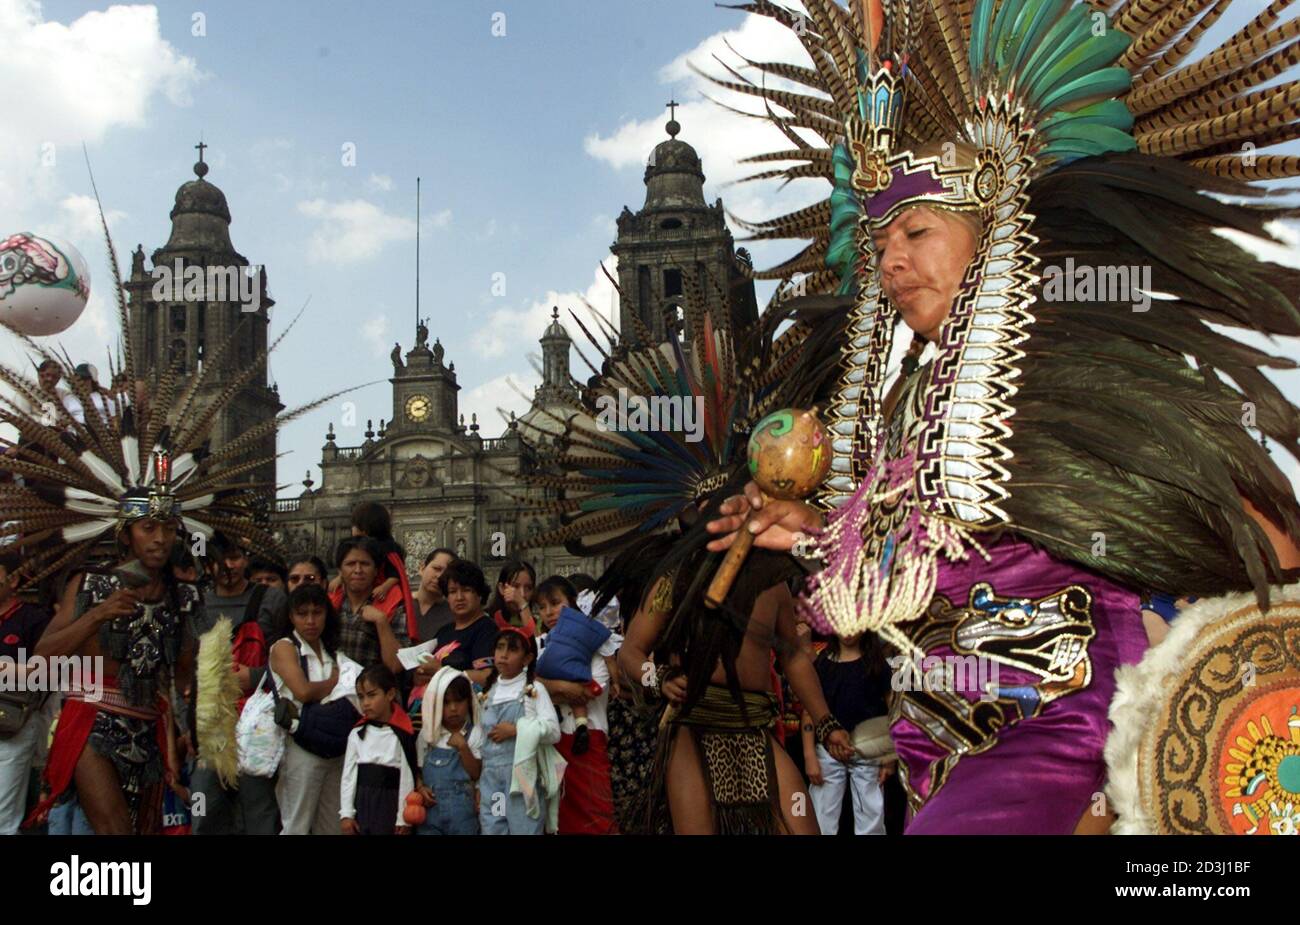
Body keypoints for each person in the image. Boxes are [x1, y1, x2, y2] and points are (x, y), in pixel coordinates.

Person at [704, 0, 1300, 834]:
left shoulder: (1063, 358)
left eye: (916, 230)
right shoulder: (907, 404)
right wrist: (805, 524)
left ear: (986, 236)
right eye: (878, 246)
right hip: (937, 734)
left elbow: (1216, 492)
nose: (891, 260)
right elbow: (913, 554)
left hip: (1058, 717)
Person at [28, 494, 199, 834]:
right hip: (92, 720)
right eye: (148, 527)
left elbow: (183, 678)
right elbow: (40, 659)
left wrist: (194, 727)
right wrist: (97, 615)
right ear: (125, 534)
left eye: (167, 528)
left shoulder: (184, 597)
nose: (160, 538)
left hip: (149, 727)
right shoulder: (90, 584)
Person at [186, 534, 285, 835]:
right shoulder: (194, 603)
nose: (228, 565)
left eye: (235, 557)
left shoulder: (271, 599)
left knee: (259, 817)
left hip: (256, 731)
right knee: (201, 810)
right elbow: (183, 671)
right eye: (219, 558)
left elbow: (292, 659)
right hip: (207, 732)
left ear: (245, 558)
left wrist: (255, 677)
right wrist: (185, 726)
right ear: (207, 562)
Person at [270, 583, 358, 835]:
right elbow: (303, 691)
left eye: (317, 613)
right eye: (302, 613)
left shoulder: (331, 650)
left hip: (335, 747)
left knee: (331, 826)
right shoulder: (284, 647)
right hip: (301, 747)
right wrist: (334, 681)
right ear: (291, 616)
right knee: (296, 824)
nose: (310, 621)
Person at [803, 632, 891, 835]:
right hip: (828, 752)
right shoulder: (823, 663)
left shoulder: (876, 663)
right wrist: (809, 756)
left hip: (867, 751)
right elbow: (809, 712)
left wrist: (888, 757)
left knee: (872, 816)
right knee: (821, 815)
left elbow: (891, 712)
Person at [477, 628, 562, 835]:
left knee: (524, 828)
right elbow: (480, 740)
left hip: (522, 779)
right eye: (500, 648)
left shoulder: (533, 690)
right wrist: (479, 785)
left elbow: (553, 731)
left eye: (512, 650)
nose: (504, 655)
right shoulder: (487, 694)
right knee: (494, 827)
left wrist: (517, 730)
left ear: (527, 658)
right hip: (492, 782)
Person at [534, 575, 616, 757]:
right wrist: (562, 687)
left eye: (555, 603)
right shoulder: (536, 645)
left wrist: (545, 686)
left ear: (573, 602)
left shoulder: (594, 644)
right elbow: (525, 688)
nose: (548, 612)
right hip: (548, 740)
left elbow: (585, 692)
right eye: (541, 607)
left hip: (591, 737)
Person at [0, 551, 53, 834]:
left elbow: (49, 671)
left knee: (3, 815)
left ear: (14, 580)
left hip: (13, 722)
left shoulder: (33, 619)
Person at [340, 664, 418, 835]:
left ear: (390, 694)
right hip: (362, 802)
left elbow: (406, 777)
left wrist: (403, 817)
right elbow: (348, 775)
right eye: (361, 697)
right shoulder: (356, 733)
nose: (366, 703)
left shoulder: (402, 734)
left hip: (389, 803)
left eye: (372, 695)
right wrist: (346, 814)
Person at [330, 502, 419, 642]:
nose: (357, 569)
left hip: (384, 593)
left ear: (365, 528)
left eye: (356, 525)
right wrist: (340, 578)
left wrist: (385, 587)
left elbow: (395, 574)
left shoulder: (389, 548)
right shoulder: (363, 547)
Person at [415, 667, 482, 835]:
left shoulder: (475, 733)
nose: (453, 708)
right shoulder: (428, 734)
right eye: (446, 702)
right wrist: (420, 788)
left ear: (469, 701)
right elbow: (418, 770)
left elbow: (476, 773)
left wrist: (463, 748)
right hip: (430, 813)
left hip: (463, 815)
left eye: (458, 701)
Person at [419, 559, 497, 690]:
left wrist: (440, 671)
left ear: (479, 594)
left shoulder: (487, 629)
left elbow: (487, 676)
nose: (459, 597)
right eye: (453, 591)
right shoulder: (444, 631)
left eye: (466, 590)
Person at [333, 537, 407, 675]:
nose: (358, 570)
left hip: (376, 691)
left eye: (365, 564)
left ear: (376, 570)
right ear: (340, 570)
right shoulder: (330, 605)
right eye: (350, 564)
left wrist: (381, 621)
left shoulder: (392, 605)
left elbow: (395, 665)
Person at [414, 548, 456, 642]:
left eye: (446, 573)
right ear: (422, 568)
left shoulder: (454, 612)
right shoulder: (399, 604)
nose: (439, 576)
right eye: (436, 569)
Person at [487, 560, 537, 637]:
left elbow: (537, 643)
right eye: (515, 586)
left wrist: (523, 606)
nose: (522, 594)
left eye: (528, 588)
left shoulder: (538, 622)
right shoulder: (488, 620)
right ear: (502, 588)